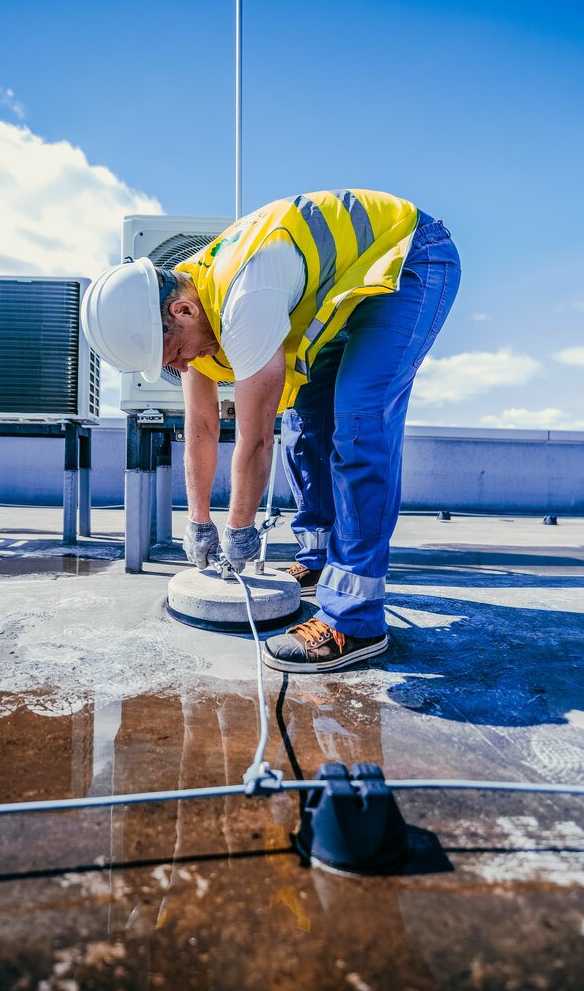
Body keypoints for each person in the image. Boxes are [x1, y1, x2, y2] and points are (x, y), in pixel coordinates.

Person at [82, 188, 461, 674]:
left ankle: (355, 619)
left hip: (409, 257)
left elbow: (255, 438)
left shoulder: (245, 295)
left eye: (175, 355)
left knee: (359, 423)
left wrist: (238, 532)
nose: (181, 366)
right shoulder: (191, 307)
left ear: (181, 313)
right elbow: (199, 427)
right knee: (307, 423)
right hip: (344, 289)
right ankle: (321, 557)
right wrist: (197, 524)